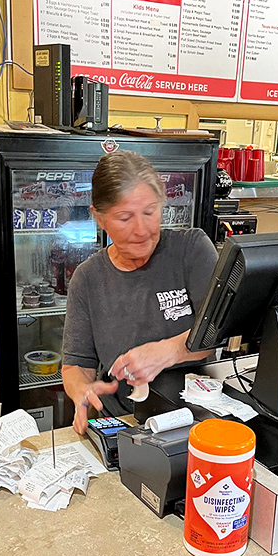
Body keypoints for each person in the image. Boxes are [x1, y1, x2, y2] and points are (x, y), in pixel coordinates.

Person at [62, 150, 218, 433]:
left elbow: (219, 329)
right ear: (98, 217)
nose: (142, 230)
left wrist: (168, 352)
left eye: (150, 212)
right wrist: (81, 392)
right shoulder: (87, 279)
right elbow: (76, 364)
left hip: (198, 416)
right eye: (124, 218)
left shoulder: (191, 250)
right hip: (123, 421)